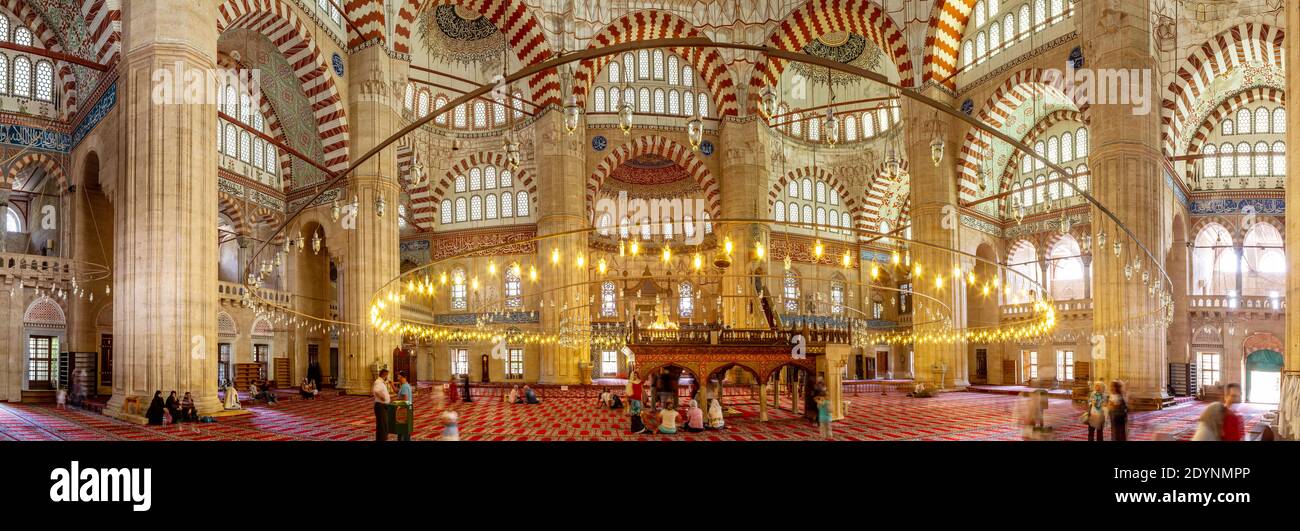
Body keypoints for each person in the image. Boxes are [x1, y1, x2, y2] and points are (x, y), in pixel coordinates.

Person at [372, 368, 392, 442]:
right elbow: (376, 391)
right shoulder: (378, 382)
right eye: (387, 375)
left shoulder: (381, 382)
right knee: (382, 425)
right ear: (384, 375)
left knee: (382, 424)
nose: (388, 377)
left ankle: (380, 439)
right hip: (380, 406)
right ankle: (382, 439)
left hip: (382, 405)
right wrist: (382, 398)